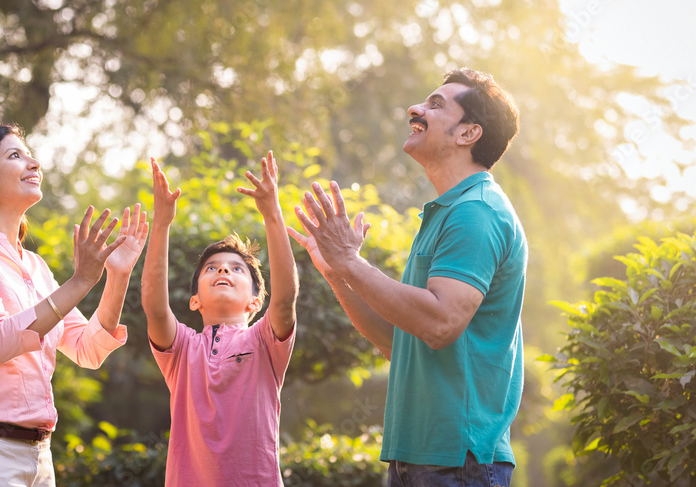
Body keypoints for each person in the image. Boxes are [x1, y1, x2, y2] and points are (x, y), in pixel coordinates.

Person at [289, 68, 527, 487]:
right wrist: (337, 273)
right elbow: (394, 341)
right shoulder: (447, 212)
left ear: (468, 133)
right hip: (416, 455)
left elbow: (440, 325)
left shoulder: (478, 212)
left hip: (458, 459)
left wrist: (350, 260)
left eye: (436, 104)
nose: (415, 109)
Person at [0, 124, 149, 487]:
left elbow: (88, 349)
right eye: (15, 155)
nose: (35, 163)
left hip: (38, 458)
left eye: (29, 154)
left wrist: (117, 276)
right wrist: (80, 281)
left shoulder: (36, 267)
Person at [141, 153, 299, 487]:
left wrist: (272, 213)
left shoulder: (263, 342)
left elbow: (284, 301)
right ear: (194, 300)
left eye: (236, 268)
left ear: (255, 303)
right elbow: (155, 308)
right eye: (212, 268)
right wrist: (162, 223)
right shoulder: (182, 349)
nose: (223, 269)